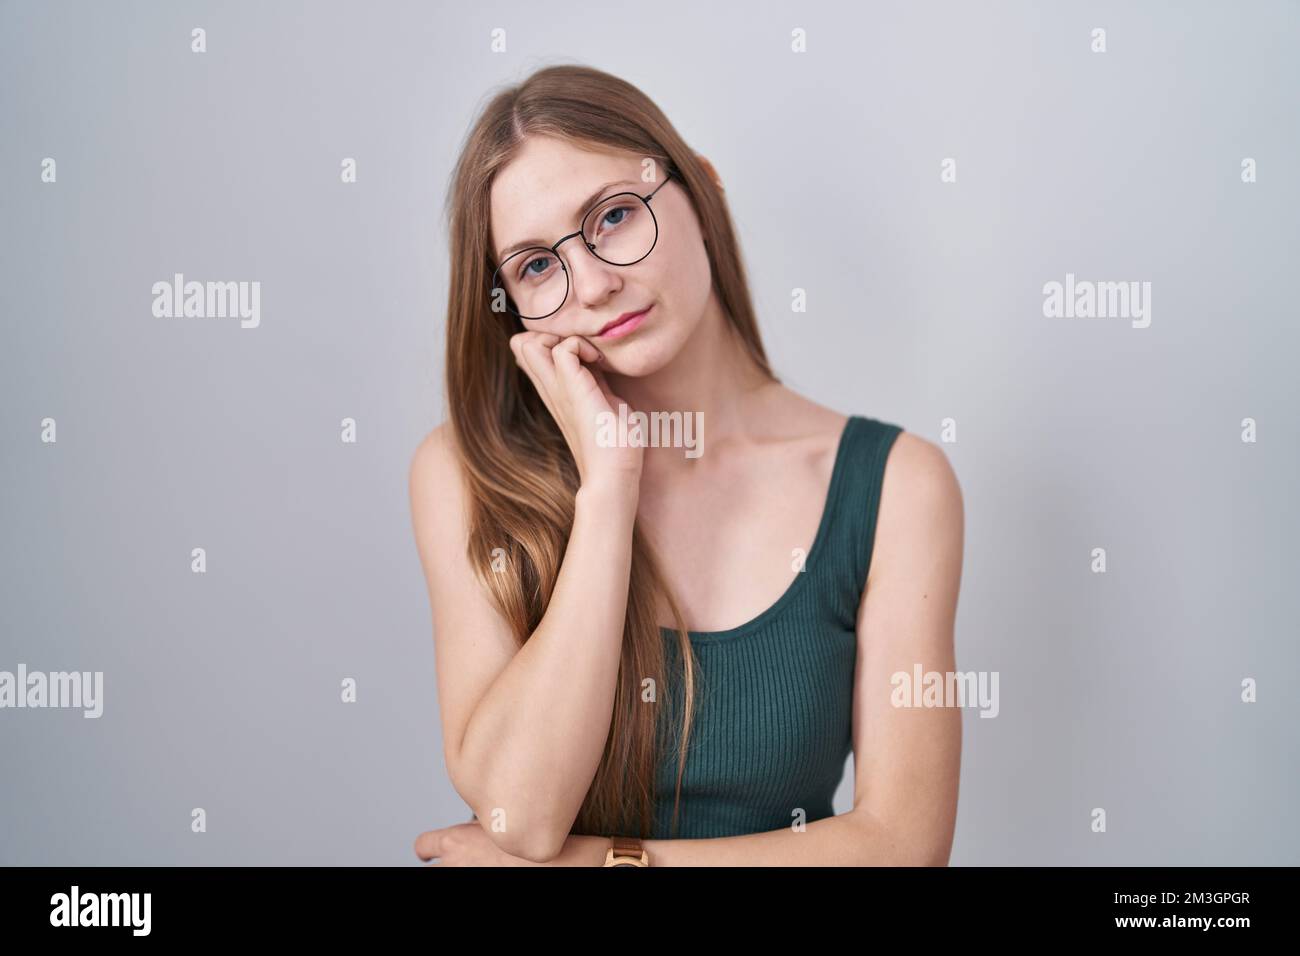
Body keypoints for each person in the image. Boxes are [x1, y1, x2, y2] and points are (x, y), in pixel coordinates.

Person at [409, 64, 963, 866]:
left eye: (615, 216)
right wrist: (608, 490)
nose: (594, 284)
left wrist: (604, 866)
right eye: (536, 266)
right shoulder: (467, 473)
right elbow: (518, 815)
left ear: (703, 192)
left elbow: (904, 847)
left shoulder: (897, 485)